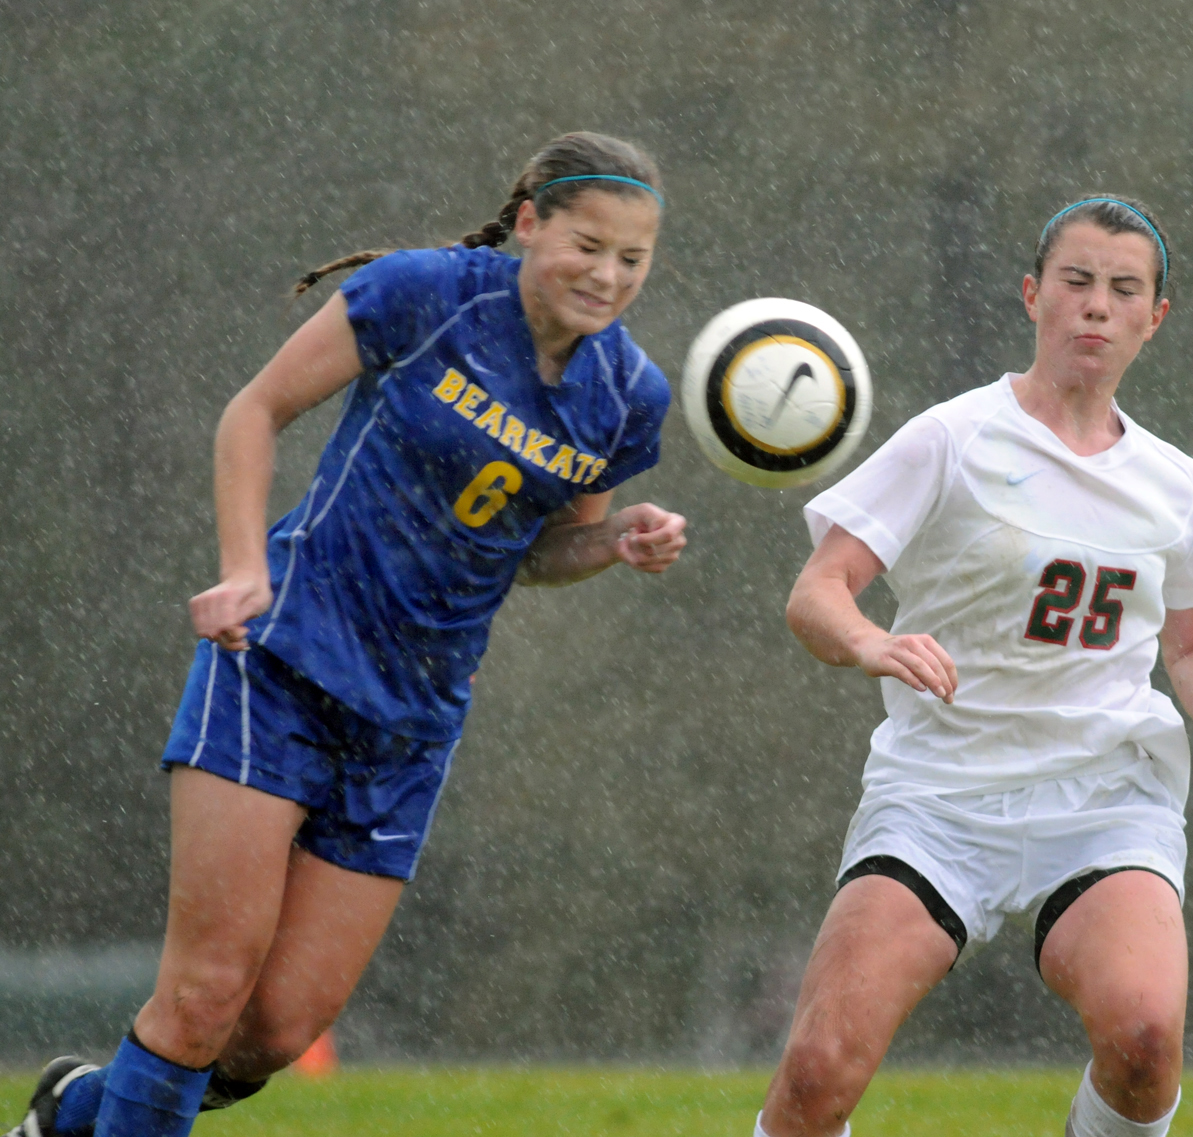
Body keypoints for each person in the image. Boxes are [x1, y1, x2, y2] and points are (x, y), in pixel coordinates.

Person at [8, 131, 687, 1137]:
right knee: (203, 994)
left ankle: (78, 1113)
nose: (608, 275)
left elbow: (543, 553)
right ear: (532, 223)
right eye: (588, 244)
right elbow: (254, 411)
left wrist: (616, 543)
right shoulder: (428, 295)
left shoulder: (629, 397)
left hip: (410, 725)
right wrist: (244, 569)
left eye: (633, 259)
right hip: (279, 662)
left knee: (271, 1030)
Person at [753, 196, 1193, 1137]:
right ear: (1034, 295)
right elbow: (817, 592)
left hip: (1104, 793)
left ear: (1155, 318)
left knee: (1147, 1040)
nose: (1096, 306)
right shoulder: (950, 438)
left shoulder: (1174, 481)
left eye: (1124, 290)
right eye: (1076, 282)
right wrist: (873, 642)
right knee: (818, 1070)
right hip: (939, 794)